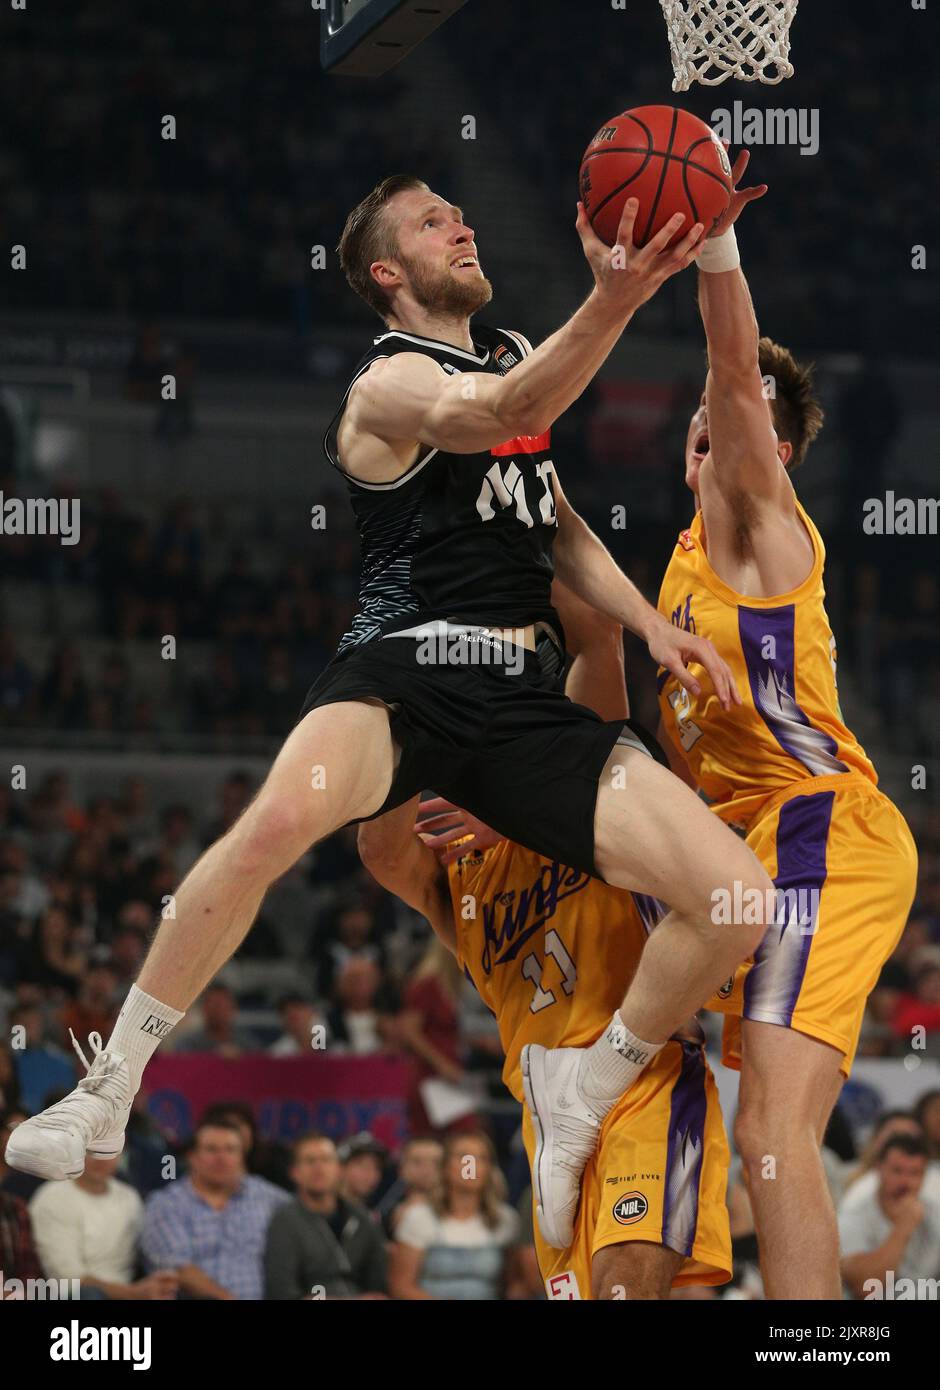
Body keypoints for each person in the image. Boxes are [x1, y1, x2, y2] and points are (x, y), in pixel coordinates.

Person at [8, 178, 771, 1250]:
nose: (461, 224)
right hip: (402, 670)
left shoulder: (508, 348)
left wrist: (648, 625)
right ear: (387, 273)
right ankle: (109, 1086)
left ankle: (583, 1091)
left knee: (736, 899)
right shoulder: (387, 382)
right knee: (273, 826)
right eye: (431, 222)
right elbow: (506, 418)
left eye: (458, 213)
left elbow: (547, 518)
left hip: (518, 696)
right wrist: (618, 295)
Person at [652, 152, 919, 1299]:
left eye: (738, 421)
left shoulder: (767, 528)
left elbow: (728, 368)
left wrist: (713, 241)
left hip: (821, 833)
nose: (712, 434)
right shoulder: (665, 574)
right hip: (747, 859)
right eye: (702, 426)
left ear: (777, 448)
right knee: (766, 1138)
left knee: (765, 1130)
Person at [359, 581, 732, 1298]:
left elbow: (596, 630)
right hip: (547, 1117)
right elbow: (380, 849)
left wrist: (488, 554)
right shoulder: (453, 873)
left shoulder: (591, 801)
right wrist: (405, 678)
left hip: (641, 1081)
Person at [141, 1117, 288, 1300]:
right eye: (211, 1149)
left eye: (230, 1150)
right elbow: (178, 1269)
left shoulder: (264, 1195)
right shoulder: (167, 1204)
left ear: (242, 1157)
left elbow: (304, 1214)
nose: (222, 1158)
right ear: (192, 1157)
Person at [389, 1130, 518, 1300]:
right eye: (464, 1157)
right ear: (445, 1166)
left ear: (489, 1169)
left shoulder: (505, 1220)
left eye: (481, 1158)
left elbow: (513, 1284)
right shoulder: (419, 1217)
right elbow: (400, 1287)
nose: (471, 1166)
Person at [30, 1155, 177, 1300]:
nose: (99, 1160)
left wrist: (160, 1281)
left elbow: (145, 1252)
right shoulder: (53, 1198)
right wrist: (133, 1293)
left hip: (126, 1288)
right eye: (91, 1151)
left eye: (109, 1152)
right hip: (71, 1294)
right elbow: (69, 1279)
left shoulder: (129, 1197)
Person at [264, 1133, 388, 1300]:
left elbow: (378, 1286)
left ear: (338, 1169)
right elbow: (281, 1293)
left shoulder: (363, 1219)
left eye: (326, 1160)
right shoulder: (284, 1222)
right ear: (294, 1172)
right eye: (310, 1161)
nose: (319, 1168)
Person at [839, 1134, 940, 1299]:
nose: (905, 1182)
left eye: (915, 1173)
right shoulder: (853, 1217)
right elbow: (865, 1288)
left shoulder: (935, 1213)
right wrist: (902, 1229)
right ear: (879, 1168)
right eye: (897, 1171)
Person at [375, 1135, 443, 1238]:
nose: (426, 1170)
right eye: (417, 1162)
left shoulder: (459, 1204)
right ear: (401, 1168)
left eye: (435, 1163)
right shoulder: (384, 1205)